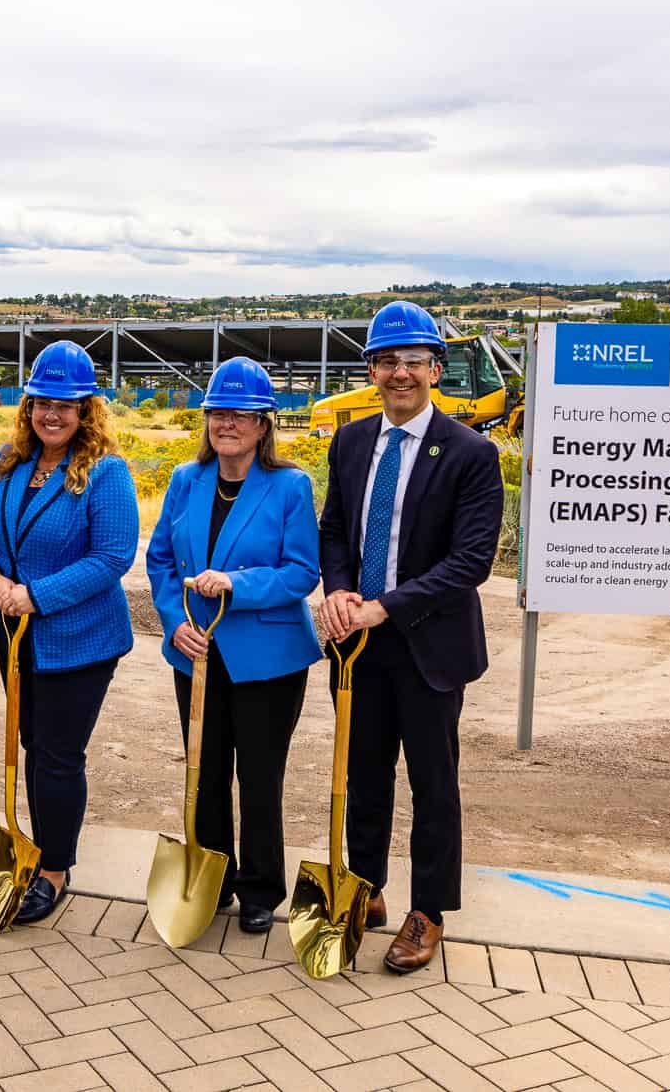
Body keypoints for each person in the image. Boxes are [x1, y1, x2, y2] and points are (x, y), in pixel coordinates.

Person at [318, 300, 503, 973]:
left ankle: (428, 912)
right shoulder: (351, 440)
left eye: (413, 362)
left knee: (433, 783)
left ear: (435, 370)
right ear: (372, 368)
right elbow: (335, 527)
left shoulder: (471, 453)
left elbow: (470, 562)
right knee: (362, 775)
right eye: (388, 361)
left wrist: (385, 607)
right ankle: (363, 886)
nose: (401, 373)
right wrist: (339, 589)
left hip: (427, 643)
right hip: (358, 641)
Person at [0, 340, 138, 924]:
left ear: (87, 409)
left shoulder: (105, 472)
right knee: (33, 744)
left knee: (58, 754)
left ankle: (54, 867)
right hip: (13, 634)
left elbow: (112, 556)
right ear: (28, 404)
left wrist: (33, 594)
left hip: (78, 639)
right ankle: (34, 844)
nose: (52, 414)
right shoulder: (8, 461)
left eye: (66, 404)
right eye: (42, 402)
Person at [144, 356, 321, 934]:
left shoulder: (289, 486)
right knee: (205, 767)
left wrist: (236, 586)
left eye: (241, 415)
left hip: (267, 659)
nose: (228, 424)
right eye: (218, 412)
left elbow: (301, 572)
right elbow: (162, 560)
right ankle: (213, 875)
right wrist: (174, 621)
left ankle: (261, 889)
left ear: (264, 424)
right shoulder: (183, 480)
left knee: (261, 775)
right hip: (195, 650)